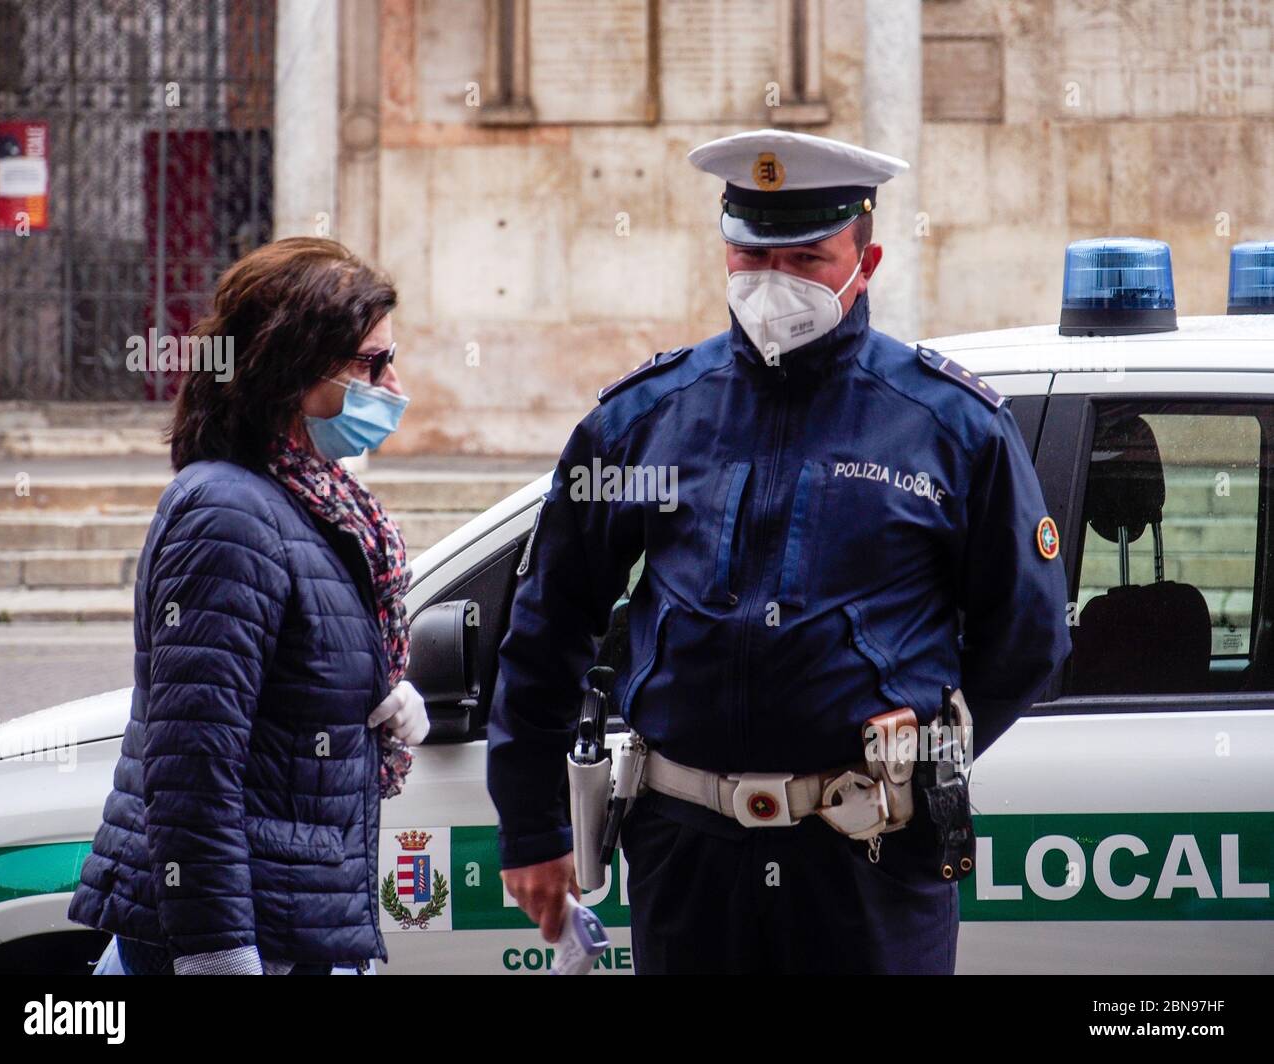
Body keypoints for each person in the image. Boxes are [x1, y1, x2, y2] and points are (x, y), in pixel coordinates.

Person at [486, 129, 1072, 974]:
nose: (774, 286)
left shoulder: (950, 427)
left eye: (806, 260)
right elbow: (548, 628)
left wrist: (931, 751)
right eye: (752, 258)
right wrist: (532, 827)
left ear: (864, 263)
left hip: (869, 858)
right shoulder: (645, 422)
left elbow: (1028, 638)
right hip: (687, 860)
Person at [68, 237, 429, 975]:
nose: (393, 385)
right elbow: (192, 766)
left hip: (294, 923)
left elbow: (285, 692)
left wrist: (381, 692)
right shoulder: (230, 515)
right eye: (371, 363)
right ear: (292, 369)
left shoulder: (313, 504)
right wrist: (218, 955)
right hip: (242, 940)